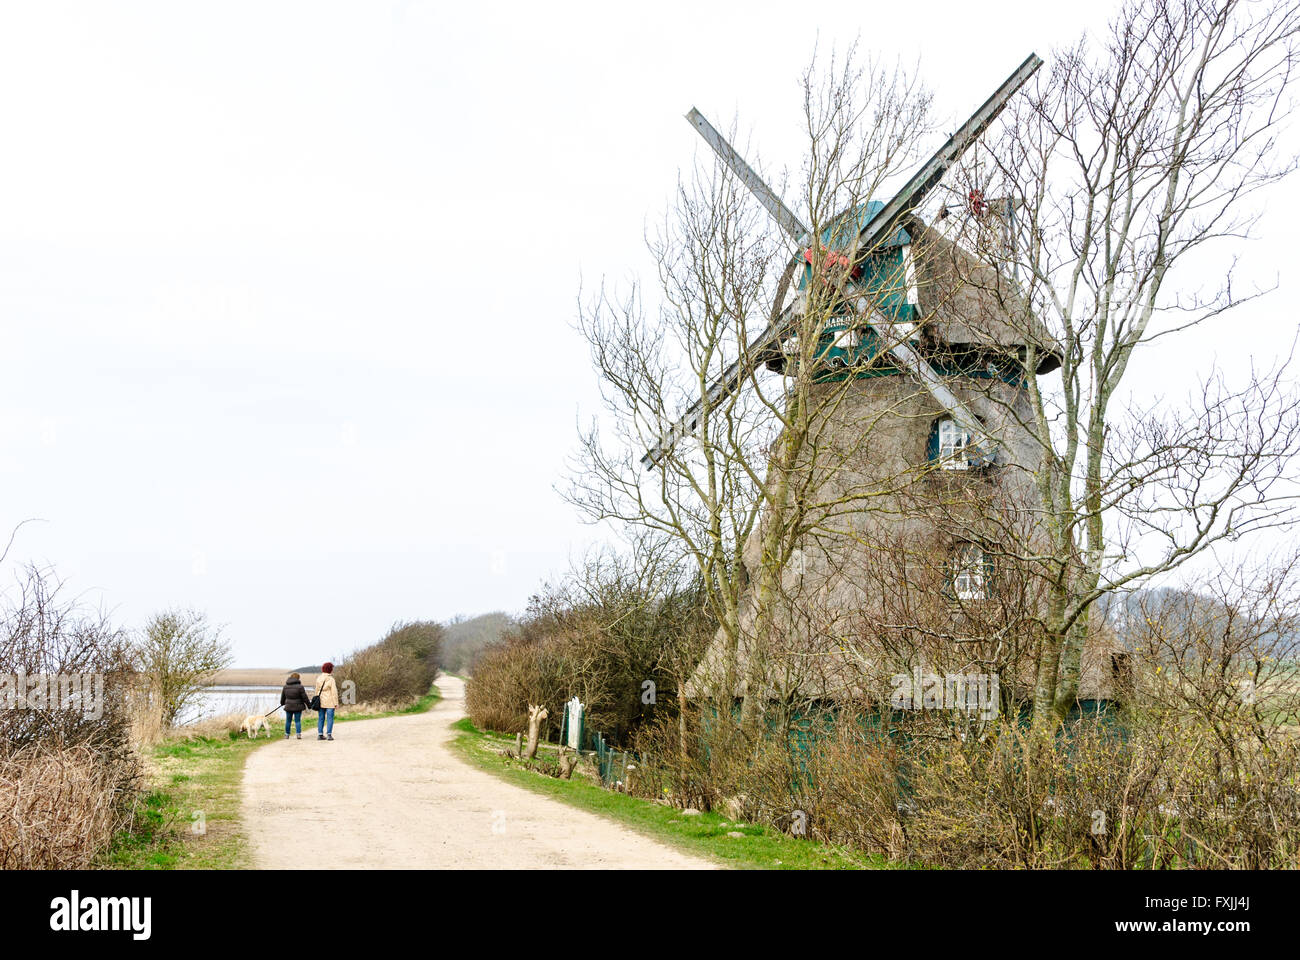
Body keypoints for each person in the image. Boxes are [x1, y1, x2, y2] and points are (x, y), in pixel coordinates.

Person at [280, 672, 309, 739]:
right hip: (298, 707)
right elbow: (305, 697)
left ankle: (287, 735)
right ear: (298, 678)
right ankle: (298, 734)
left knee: (288, 720)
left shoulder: (285, 687)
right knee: (297, 721)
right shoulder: (300, 687)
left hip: (288, 706)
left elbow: (283, 697)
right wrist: (309, 705)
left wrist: (282, 703)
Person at [315, 661, 339, 741]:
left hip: (320, 701)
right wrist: (336, 703)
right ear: (330, 669)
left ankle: (320, 734)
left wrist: (316, 700)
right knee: (330, 718)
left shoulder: (318, 678)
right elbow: (334, 692)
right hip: (330, 702)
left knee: (321, 718)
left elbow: (316, 690)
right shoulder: (331, 679)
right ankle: (329, 735)